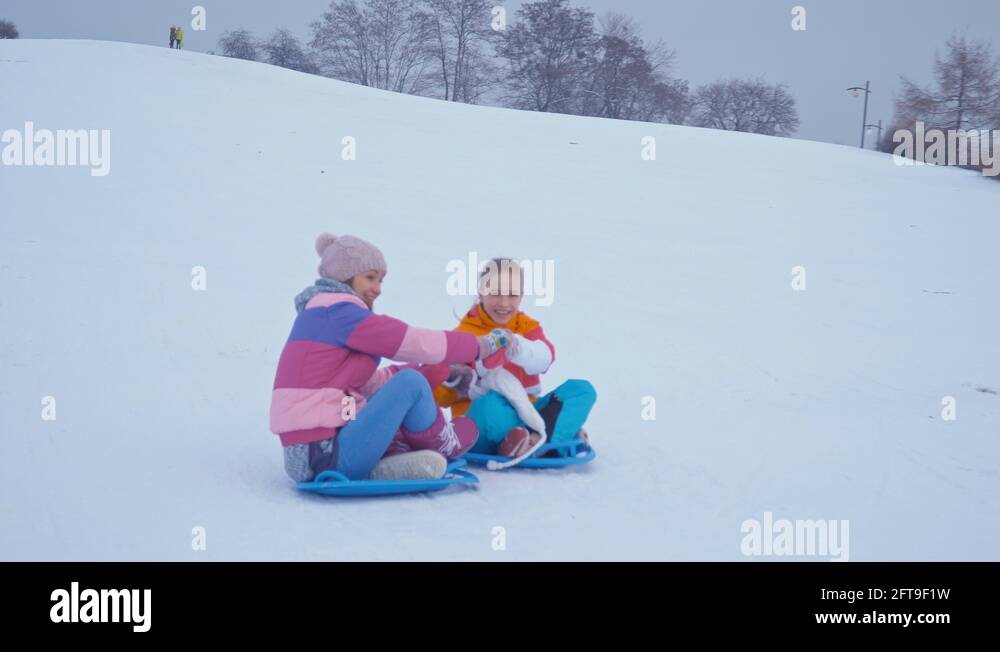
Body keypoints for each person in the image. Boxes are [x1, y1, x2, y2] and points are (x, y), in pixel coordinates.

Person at [270, 233, 513, 483]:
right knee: (410, 383)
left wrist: (426, 370)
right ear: (344, 275)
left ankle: (391, 459)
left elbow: (365, 384)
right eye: (370, 278)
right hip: (327, 453)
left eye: (381, 280)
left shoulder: (321, 315)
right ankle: (444, 443)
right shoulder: (341, 313)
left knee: (398, 386)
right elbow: (411, 341)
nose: (378, 288)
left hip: (312, 454)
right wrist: (481, 345)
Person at [434, 258, 596, 458]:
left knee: (582, 390)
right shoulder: (463, 335)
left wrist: (518, 348)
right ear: (481, 292)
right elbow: (439, 396)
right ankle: (554, 439)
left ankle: (535, 441)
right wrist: (460, 382)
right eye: (495, 293)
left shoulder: (526, 327)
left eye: (512, 295)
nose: (504, 304)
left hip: (528, 415)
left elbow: (545, 358)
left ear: (521, 295)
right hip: (483, 424)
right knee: (490, 404)